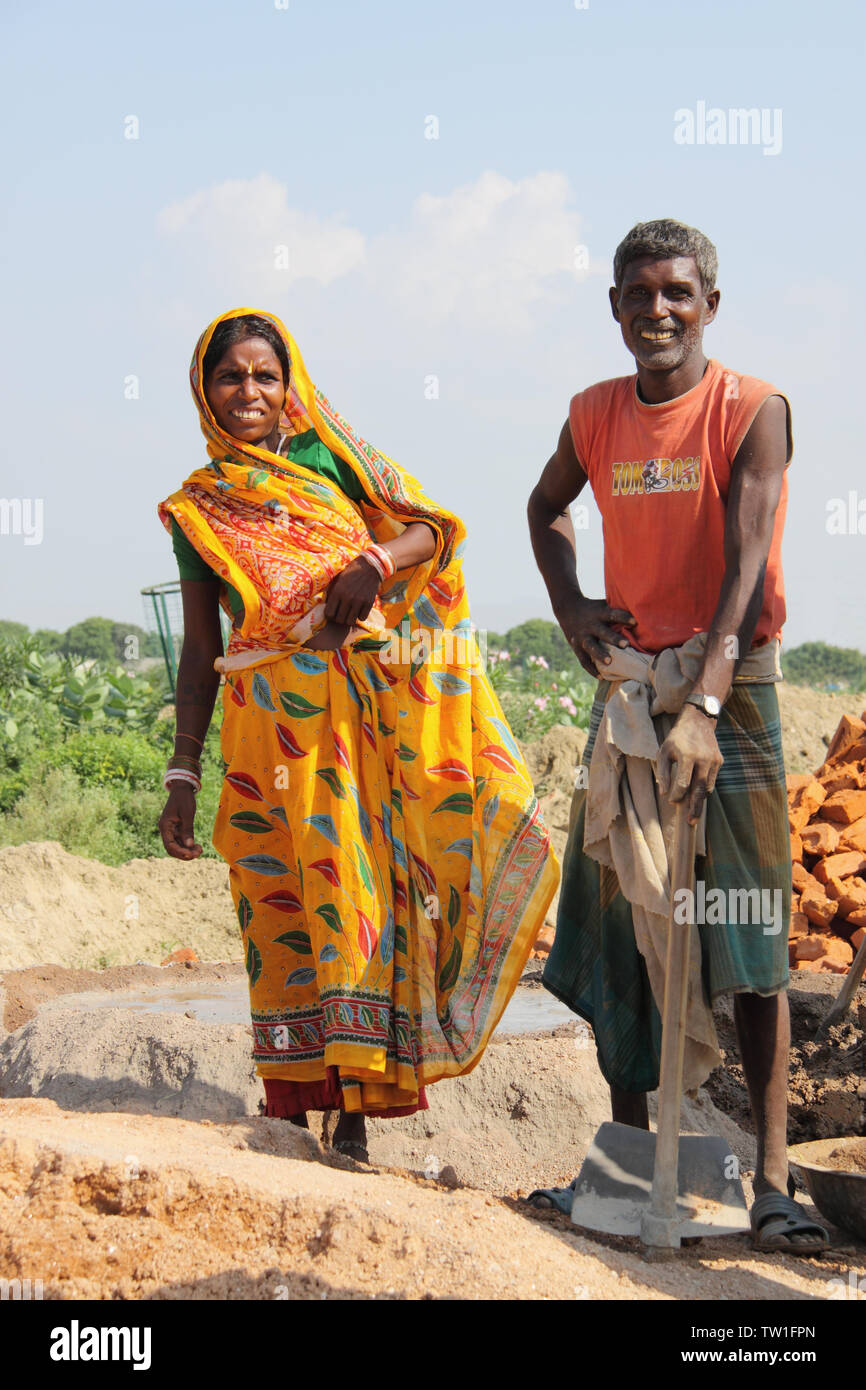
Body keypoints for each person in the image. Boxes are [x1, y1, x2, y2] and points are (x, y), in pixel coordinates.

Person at [159, 307, 558, 1160]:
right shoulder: (199, 505)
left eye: (266, 375)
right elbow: (201, 648)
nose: (250, 392)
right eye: (231, 377)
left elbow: (432, 529)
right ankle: (292, 1101)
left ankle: (355, 1109)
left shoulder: (330, 455)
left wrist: (370, 565)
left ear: (290, 380)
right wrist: (182, 773)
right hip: (261, 732)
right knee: (275, 912)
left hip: (350, 726)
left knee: (354, 895)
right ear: (206, 390)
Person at [526, 221, 828, 1251]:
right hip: (628, 688)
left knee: (743, 929)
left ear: (708, 302)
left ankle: (774, 1183)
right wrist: (571, 607)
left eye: (676, 293)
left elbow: (744, 565)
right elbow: (543, 507)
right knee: (622, 920)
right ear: (613, 308)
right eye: (637, 294)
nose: (657, 311)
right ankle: (622, 1164)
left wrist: (701, 704)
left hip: (729, 685)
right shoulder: (594, 414)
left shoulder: (752, 410)